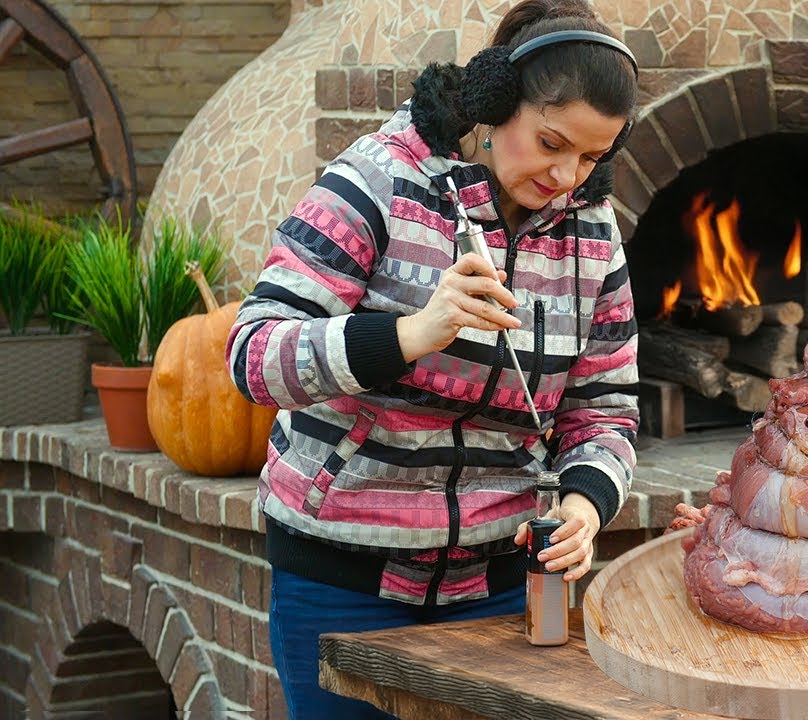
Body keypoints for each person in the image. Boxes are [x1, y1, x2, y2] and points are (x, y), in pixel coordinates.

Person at [226, 1, 640, 717]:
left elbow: (604, 410)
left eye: (591, 157)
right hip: (341, 583)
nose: (567, 175)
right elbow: (253, 356)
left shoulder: (595, 235)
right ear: (496, 102)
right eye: (550, 143)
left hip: (501, 590)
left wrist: (584, 502)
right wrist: (411, 333)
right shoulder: (376, 180)